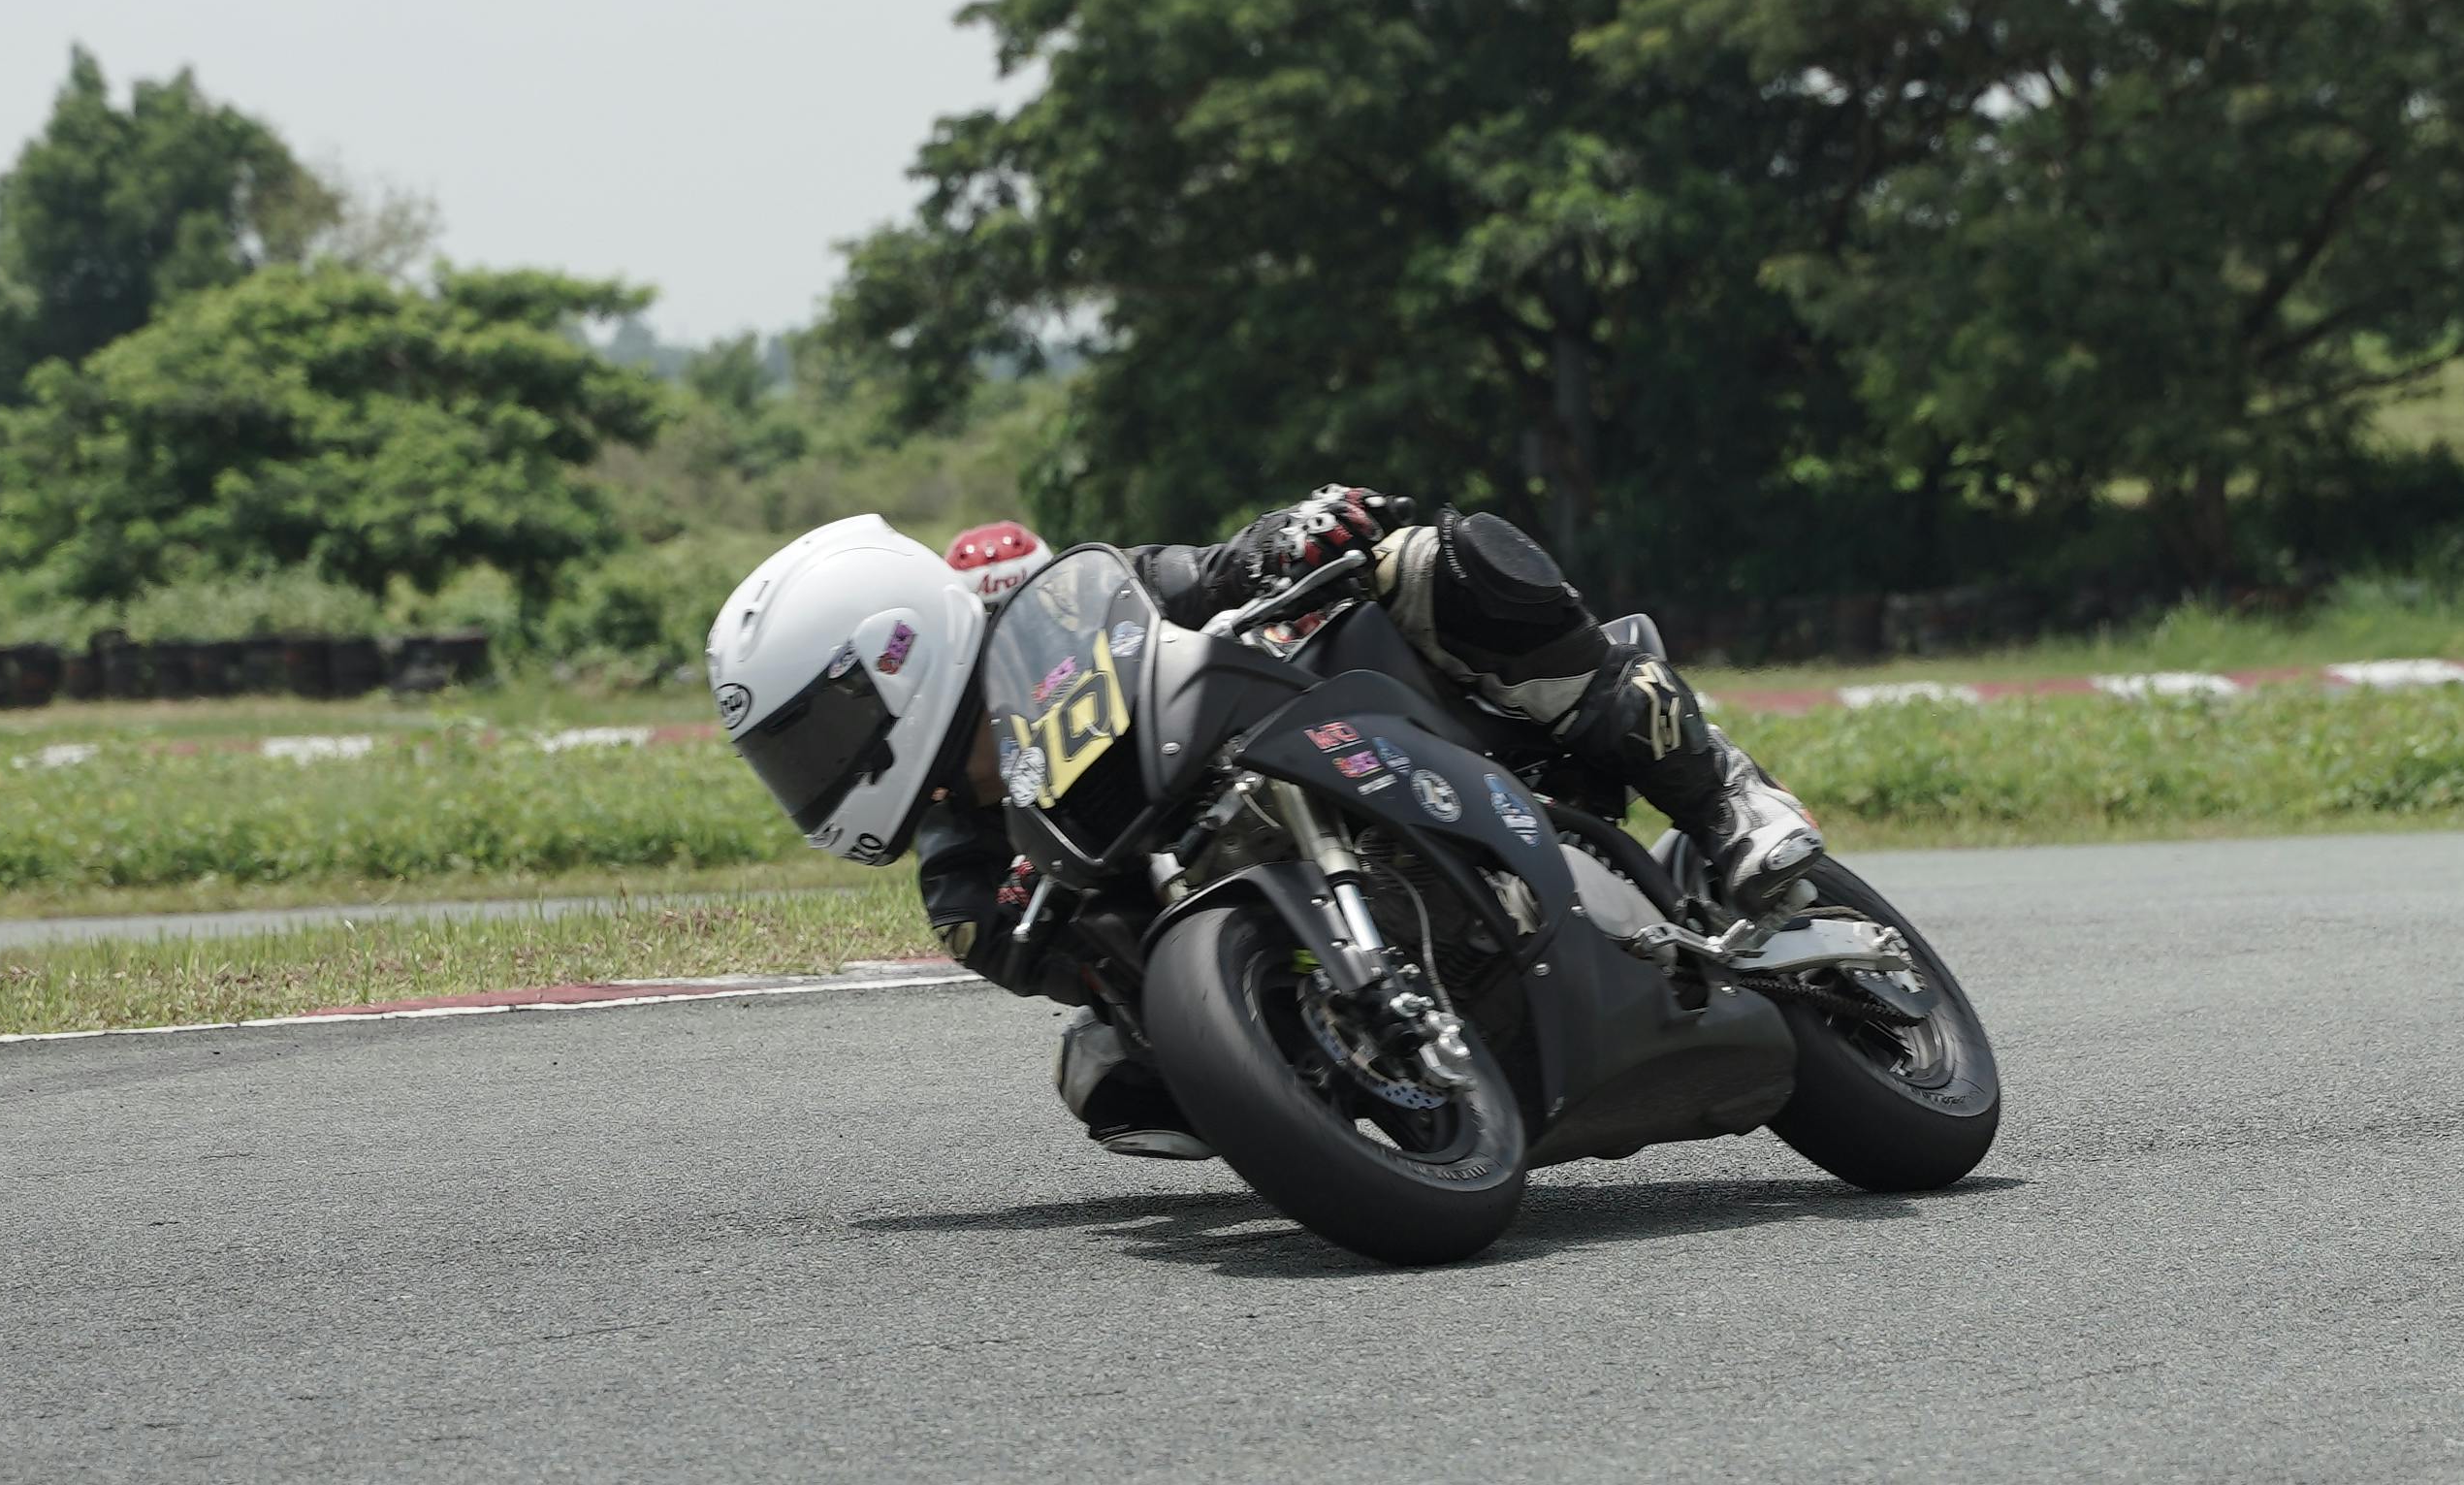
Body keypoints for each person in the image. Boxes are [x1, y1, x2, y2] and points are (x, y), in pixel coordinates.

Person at [706, 489, 1823, 1152]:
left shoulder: (1061, 625)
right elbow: (1037, 955)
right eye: (787, 757)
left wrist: (1279, 538)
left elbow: (1190, 577)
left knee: (1434, 559)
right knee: (1106, 1068)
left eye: (815, 733)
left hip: (1346, 736)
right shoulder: (957, 868)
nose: (810, 772)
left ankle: (1723, 794)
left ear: (892, 652)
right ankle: (1345, 1076)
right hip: (1261, 912)